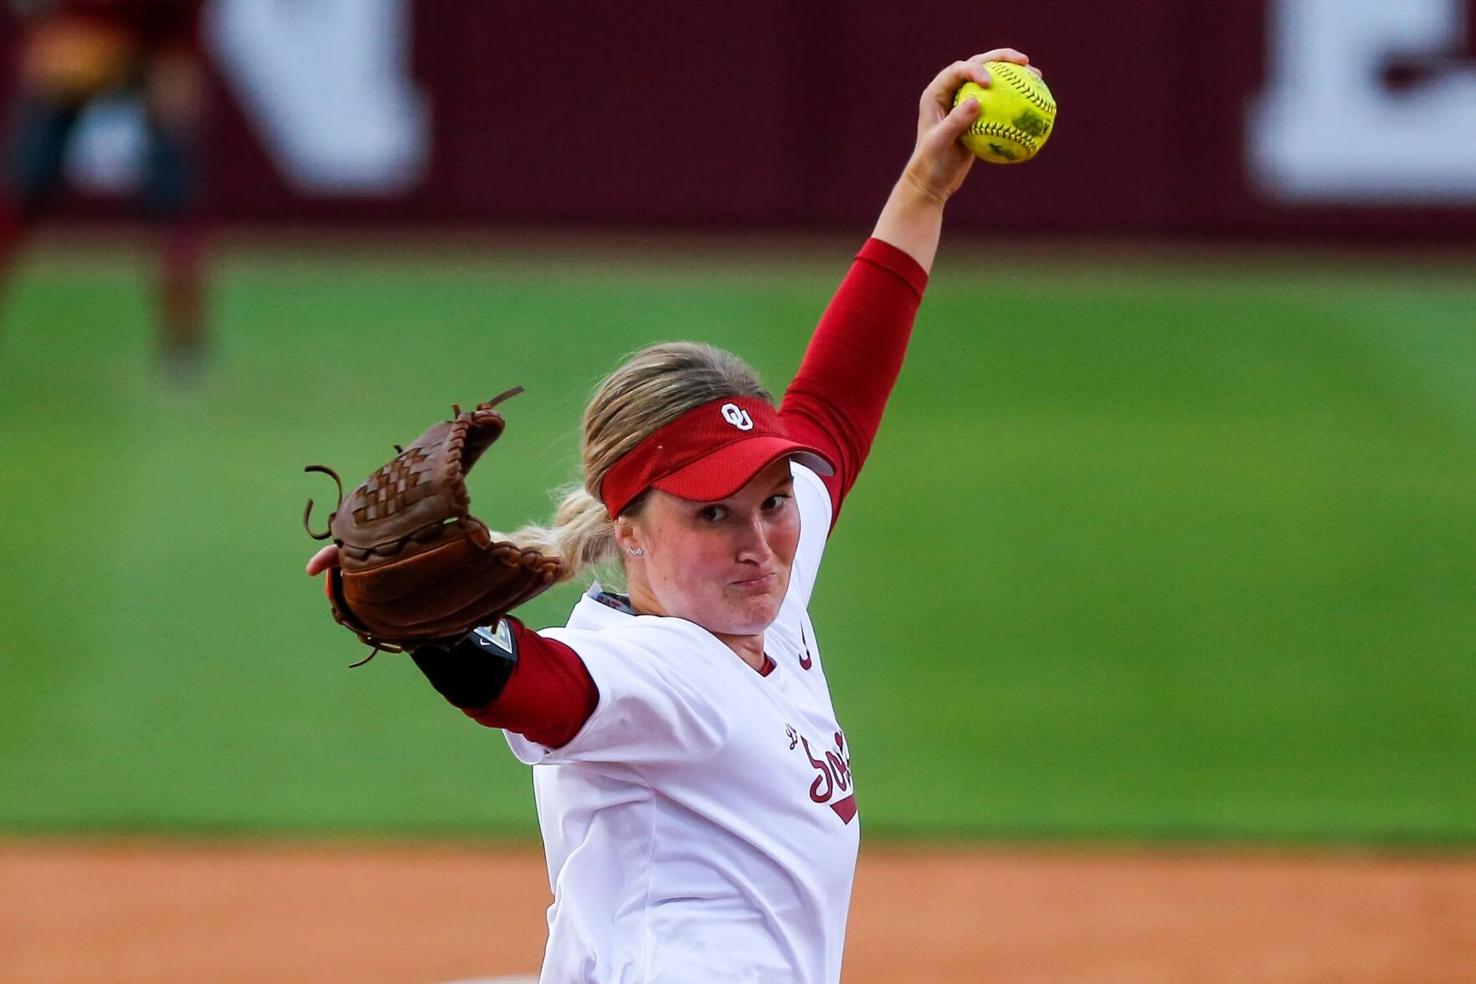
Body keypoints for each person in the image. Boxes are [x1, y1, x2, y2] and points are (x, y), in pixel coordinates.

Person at [308, 47, 1040, 984]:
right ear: (632, 532)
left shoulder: (766, 583)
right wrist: (434, 630)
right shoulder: (651, 671)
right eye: (712, 515)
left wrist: (924, 188)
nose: (757, 544)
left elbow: (839, 403)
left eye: (771, 502)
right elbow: (541, 687)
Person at [0, 0, 209, 380]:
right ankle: (184, 349)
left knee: (172, 200)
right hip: (88, 40)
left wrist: (182, 52)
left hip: (150, 45)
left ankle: (183, 344)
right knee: (20, 193)